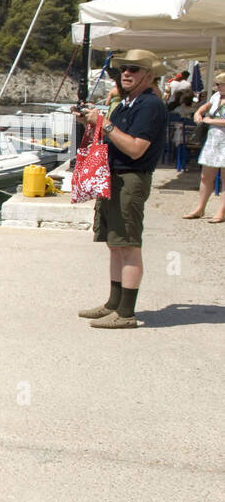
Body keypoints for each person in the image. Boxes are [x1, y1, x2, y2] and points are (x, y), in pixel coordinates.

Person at [75, 48, 168, 329]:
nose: (126, 73)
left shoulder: (150, 106)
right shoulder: (129, 103)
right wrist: (94, 123)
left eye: (134, 69)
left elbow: (137, 149)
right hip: (116, 176)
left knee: (128, 244)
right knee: (115, 244)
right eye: (123, 69)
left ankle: (126, 312)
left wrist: (103, 124)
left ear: (148, 76)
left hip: (131, 177)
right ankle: (114, 304)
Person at [182, 71, 225, 222]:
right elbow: (204, 107)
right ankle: (200, 207)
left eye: (219, 84)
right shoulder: (216, 97)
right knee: (206, 176)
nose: (217, 87)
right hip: (213, 140)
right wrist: (198, 114)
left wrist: (210, 121)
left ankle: (221, 211)